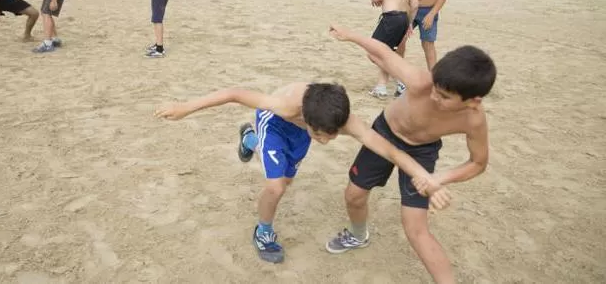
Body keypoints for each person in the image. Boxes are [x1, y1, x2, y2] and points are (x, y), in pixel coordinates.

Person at [154, 82, 451, 264]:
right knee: (276, 187)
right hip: (275, 124)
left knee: (287, 180)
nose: (324, 140)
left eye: (330, 137)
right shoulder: (286, 105)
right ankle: (264, 233)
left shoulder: (343, 120)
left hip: (297, 135)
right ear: (306, 118)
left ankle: (249, 140)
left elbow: (389, 150)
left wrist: (425, 178)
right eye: (319, 135)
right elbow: (234, 93)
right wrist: (185, 107)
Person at [326, 24, 495, 284]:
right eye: (435, 88)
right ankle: (358, 235)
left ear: (473, 100)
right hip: (384, 134)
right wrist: (350, 36)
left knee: (416, 229)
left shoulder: (474, 120)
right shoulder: (421, 82)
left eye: (445, 96)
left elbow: (478, 163)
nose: (434, 96)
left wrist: (439, 179)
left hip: (422, 152)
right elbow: (382, 51)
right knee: (354, 195)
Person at [368, 0, 418, 100]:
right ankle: (381, 86)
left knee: (373, 52)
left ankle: (401, 81)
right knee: (388, 53)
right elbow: (415, 4)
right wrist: (410, 23)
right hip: (404, 18)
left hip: (391, 17)